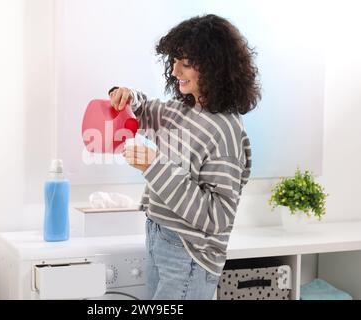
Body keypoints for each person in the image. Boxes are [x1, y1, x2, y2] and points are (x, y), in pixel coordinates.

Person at [109, 14, 261, 300]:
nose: (176, 70)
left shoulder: (225, 131)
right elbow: (146, 110)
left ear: (214, 67)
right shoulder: (184, 109)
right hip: (158, 236)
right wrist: (127, 96)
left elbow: (216, 217)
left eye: (186, 63)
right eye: (175, 61)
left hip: (188, 255)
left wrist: (153, 166)